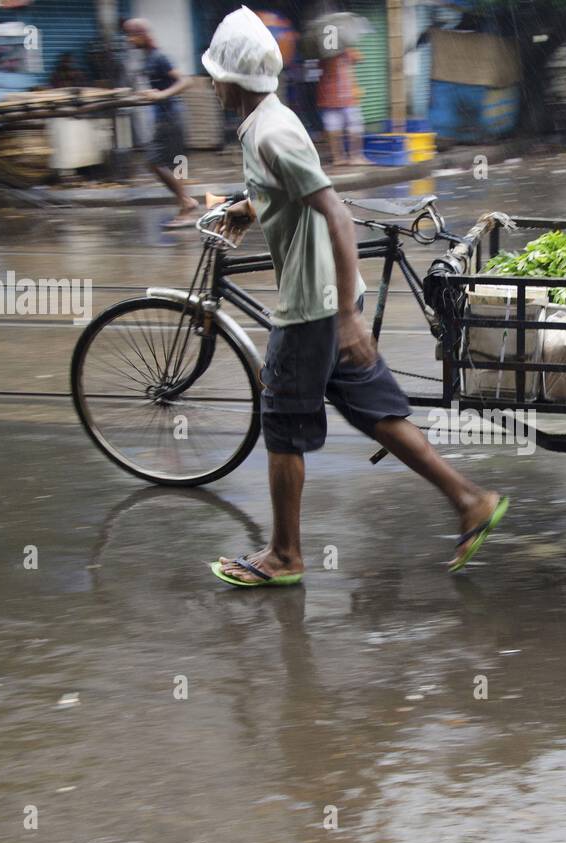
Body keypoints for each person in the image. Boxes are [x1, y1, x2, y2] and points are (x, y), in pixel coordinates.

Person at [199, 7, 507, 588]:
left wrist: (346, 319)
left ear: (234, 79)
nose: (212, 83)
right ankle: (471, 501)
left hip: (314, 309)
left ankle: (284, 556)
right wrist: (249, 207)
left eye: (216, 73)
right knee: (377, 414)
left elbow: (336, 215)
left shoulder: (270, 132)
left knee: (283, 423)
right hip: (327, 305)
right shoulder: (267, 122)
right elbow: (292, 192)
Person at [122, 18, 200, 228]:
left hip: (169, 117)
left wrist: (161, 95)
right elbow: (156, 88)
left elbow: (186, 80)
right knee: (177, 164)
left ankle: (187, 201)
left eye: (131, 35)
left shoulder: (158, 57)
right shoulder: (148, 57)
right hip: (169, 116)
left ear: (141, 35)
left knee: (153, 162)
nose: (129, 40)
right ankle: (185, 210)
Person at [316, 47, 369, 165]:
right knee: (354, 126)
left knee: (333, 127)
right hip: (346, 95)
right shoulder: (344, 48)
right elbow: (359, 57)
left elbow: (320, 66)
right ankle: (355, 157)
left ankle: (338, 158)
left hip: (328, 96)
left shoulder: (322, 50)